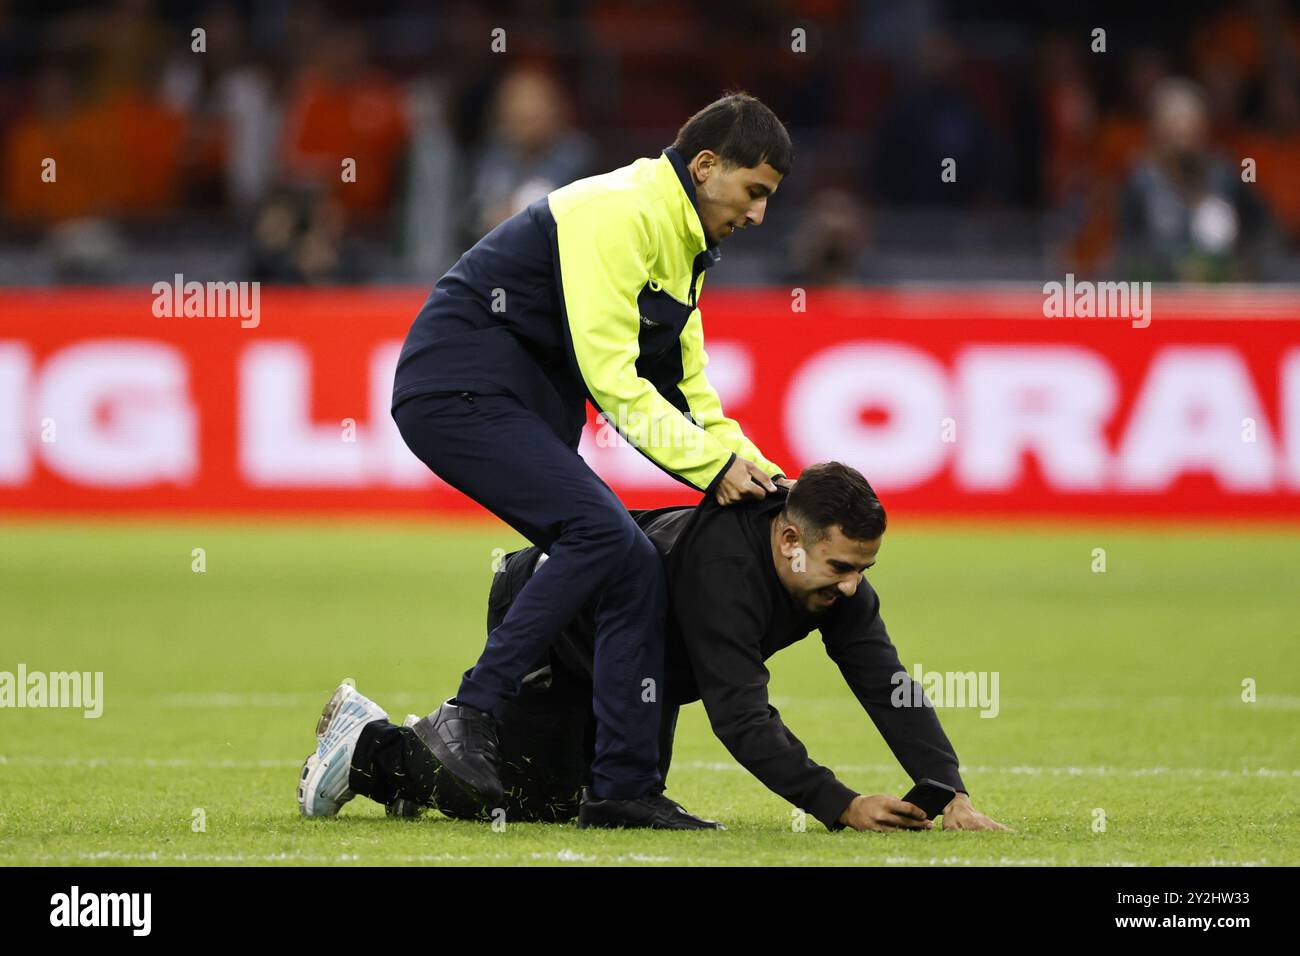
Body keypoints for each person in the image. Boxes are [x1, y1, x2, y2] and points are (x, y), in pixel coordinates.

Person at [377, 92, 792, 828]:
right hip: (457, 389)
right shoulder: (619, 211)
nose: (759, 214)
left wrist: (767, 483)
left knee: (628, 559)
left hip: (513, 402)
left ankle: (624, 789)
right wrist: (713, 471)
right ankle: (466, 712)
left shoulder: (685, 241)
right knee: (602, 535)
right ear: (705, 166)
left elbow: (690, 389)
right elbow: (612, 378)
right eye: (754, 191)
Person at [299, 463, 1008, 833]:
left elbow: (886, 681)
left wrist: (948, 788)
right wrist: (841, 804)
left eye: (865, 571)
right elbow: (740, 716)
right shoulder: (727, 571)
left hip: (641, 669)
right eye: (841, 568)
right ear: (790, 541)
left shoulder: (833, 581)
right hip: (560, 623)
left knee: (591, 803)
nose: (853, 588)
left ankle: (406, 769)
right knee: (515, 797)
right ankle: (367, 747)